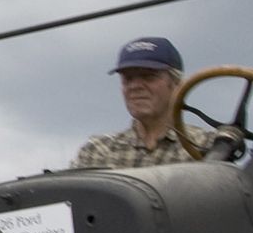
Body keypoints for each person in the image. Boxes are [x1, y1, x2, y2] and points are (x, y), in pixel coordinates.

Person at [70, 35, 209, 169]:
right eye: (128, 79)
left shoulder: (205, 146)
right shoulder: (97, 151)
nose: (135, 86)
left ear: (177, 84)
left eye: (148, 76)